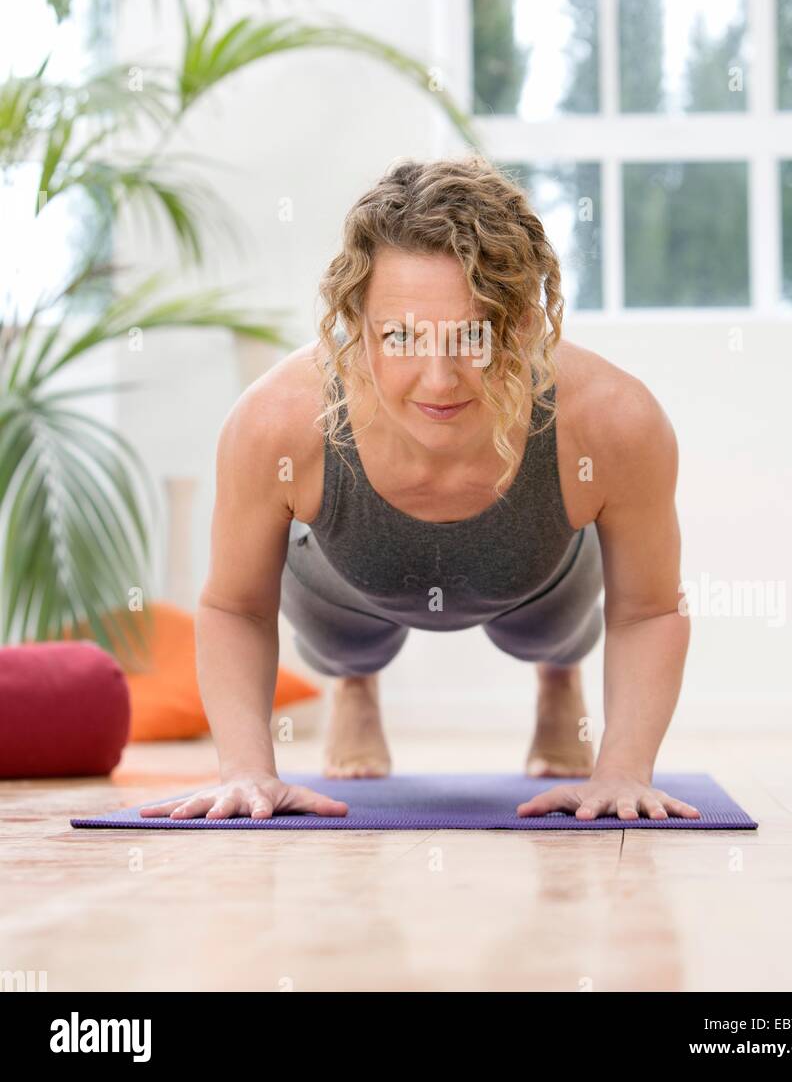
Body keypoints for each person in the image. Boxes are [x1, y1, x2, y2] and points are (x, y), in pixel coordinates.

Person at [141, 154, 700, 824]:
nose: (439, 381)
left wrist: (624, 770)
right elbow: (236, 607)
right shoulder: (275, 421)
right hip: (348, 581)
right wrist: (247, 772)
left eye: (475, 335)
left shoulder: (613, 420)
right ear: (355, 323)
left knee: (549, 631)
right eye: (400, 336)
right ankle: (355, 682)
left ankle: (559, 680)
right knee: (347, 642)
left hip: (537, 573)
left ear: (524, 324)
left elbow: (646, 611)